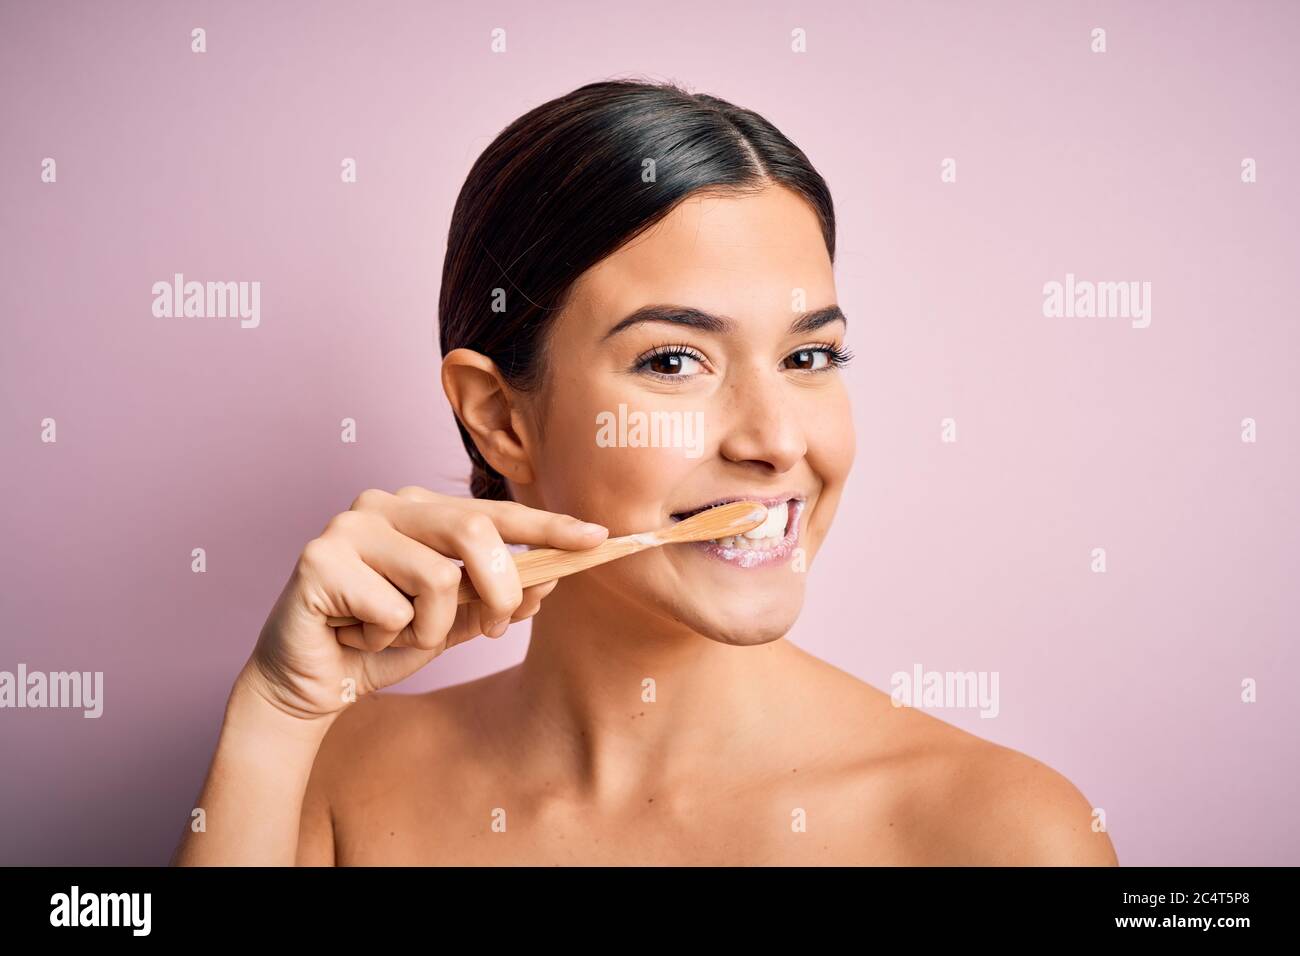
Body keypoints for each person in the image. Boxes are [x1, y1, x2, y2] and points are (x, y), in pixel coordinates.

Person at [173, 79, 1118, 866]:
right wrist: (276, 714)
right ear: (502, 418)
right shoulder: (326, 783)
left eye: (809, 358)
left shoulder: (1001, 835)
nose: (777, 442)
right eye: (674, 362)